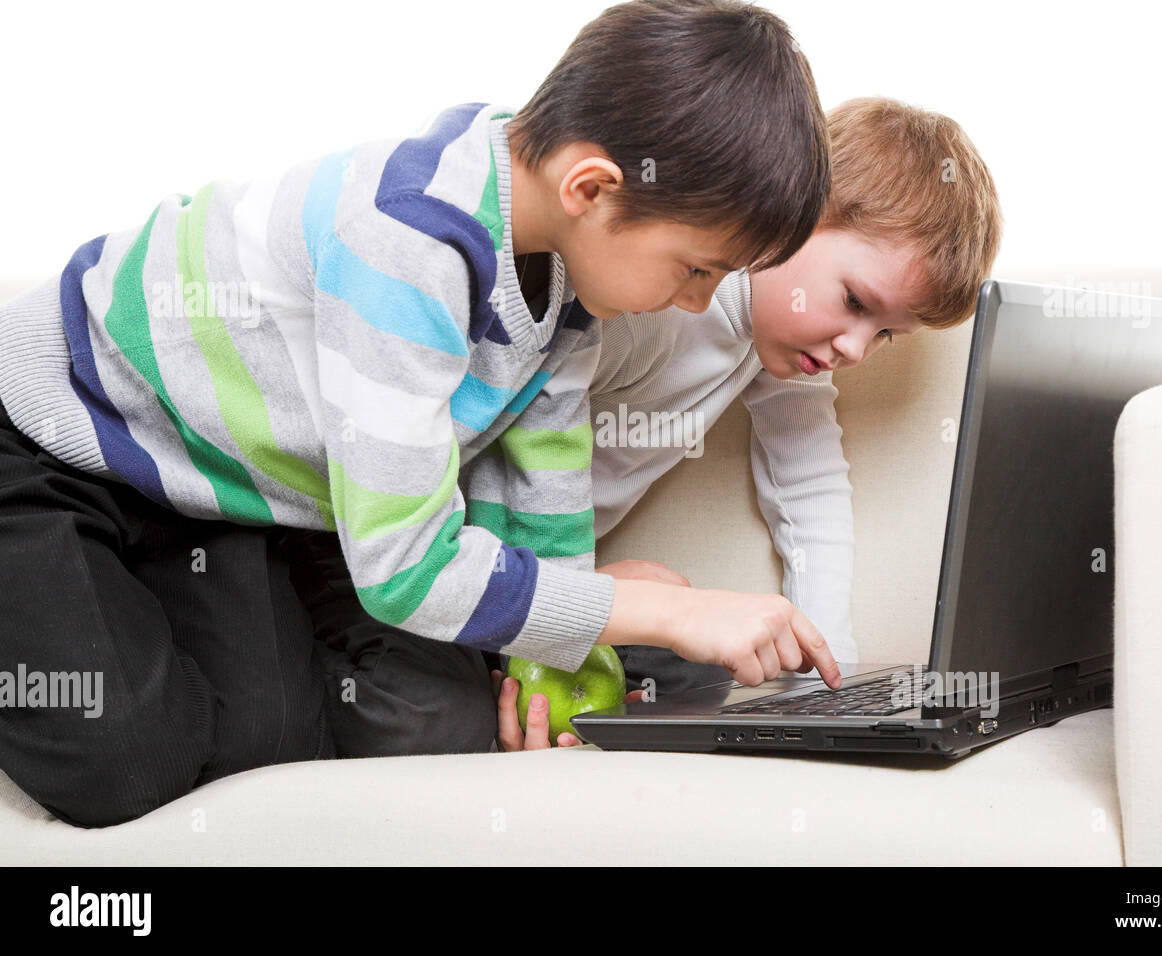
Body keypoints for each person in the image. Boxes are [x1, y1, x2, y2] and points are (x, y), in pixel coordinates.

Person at [0, 0, 838, 828]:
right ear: (592, 186)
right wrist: (668, 613)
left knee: (278, 733)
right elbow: (405, 568)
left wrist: (555, 654)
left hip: (208, 493)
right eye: (696, 270)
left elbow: (543, 503)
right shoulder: (407, 239)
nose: (695, 306)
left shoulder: (572, 283)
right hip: (51, 437)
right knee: (128, 760)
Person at [495, 97, 1003, 749]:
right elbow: (504, 442)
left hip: (566, 592)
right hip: (483, 565)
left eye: (886, 335)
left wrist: (831, 689)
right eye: (854, 302)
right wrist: (561, 600)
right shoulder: (649, 297)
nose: (854, 348)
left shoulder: (785, 346)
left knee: (709, 685)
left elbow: (809, 491)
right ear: (792, 213)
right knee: (427, 713)